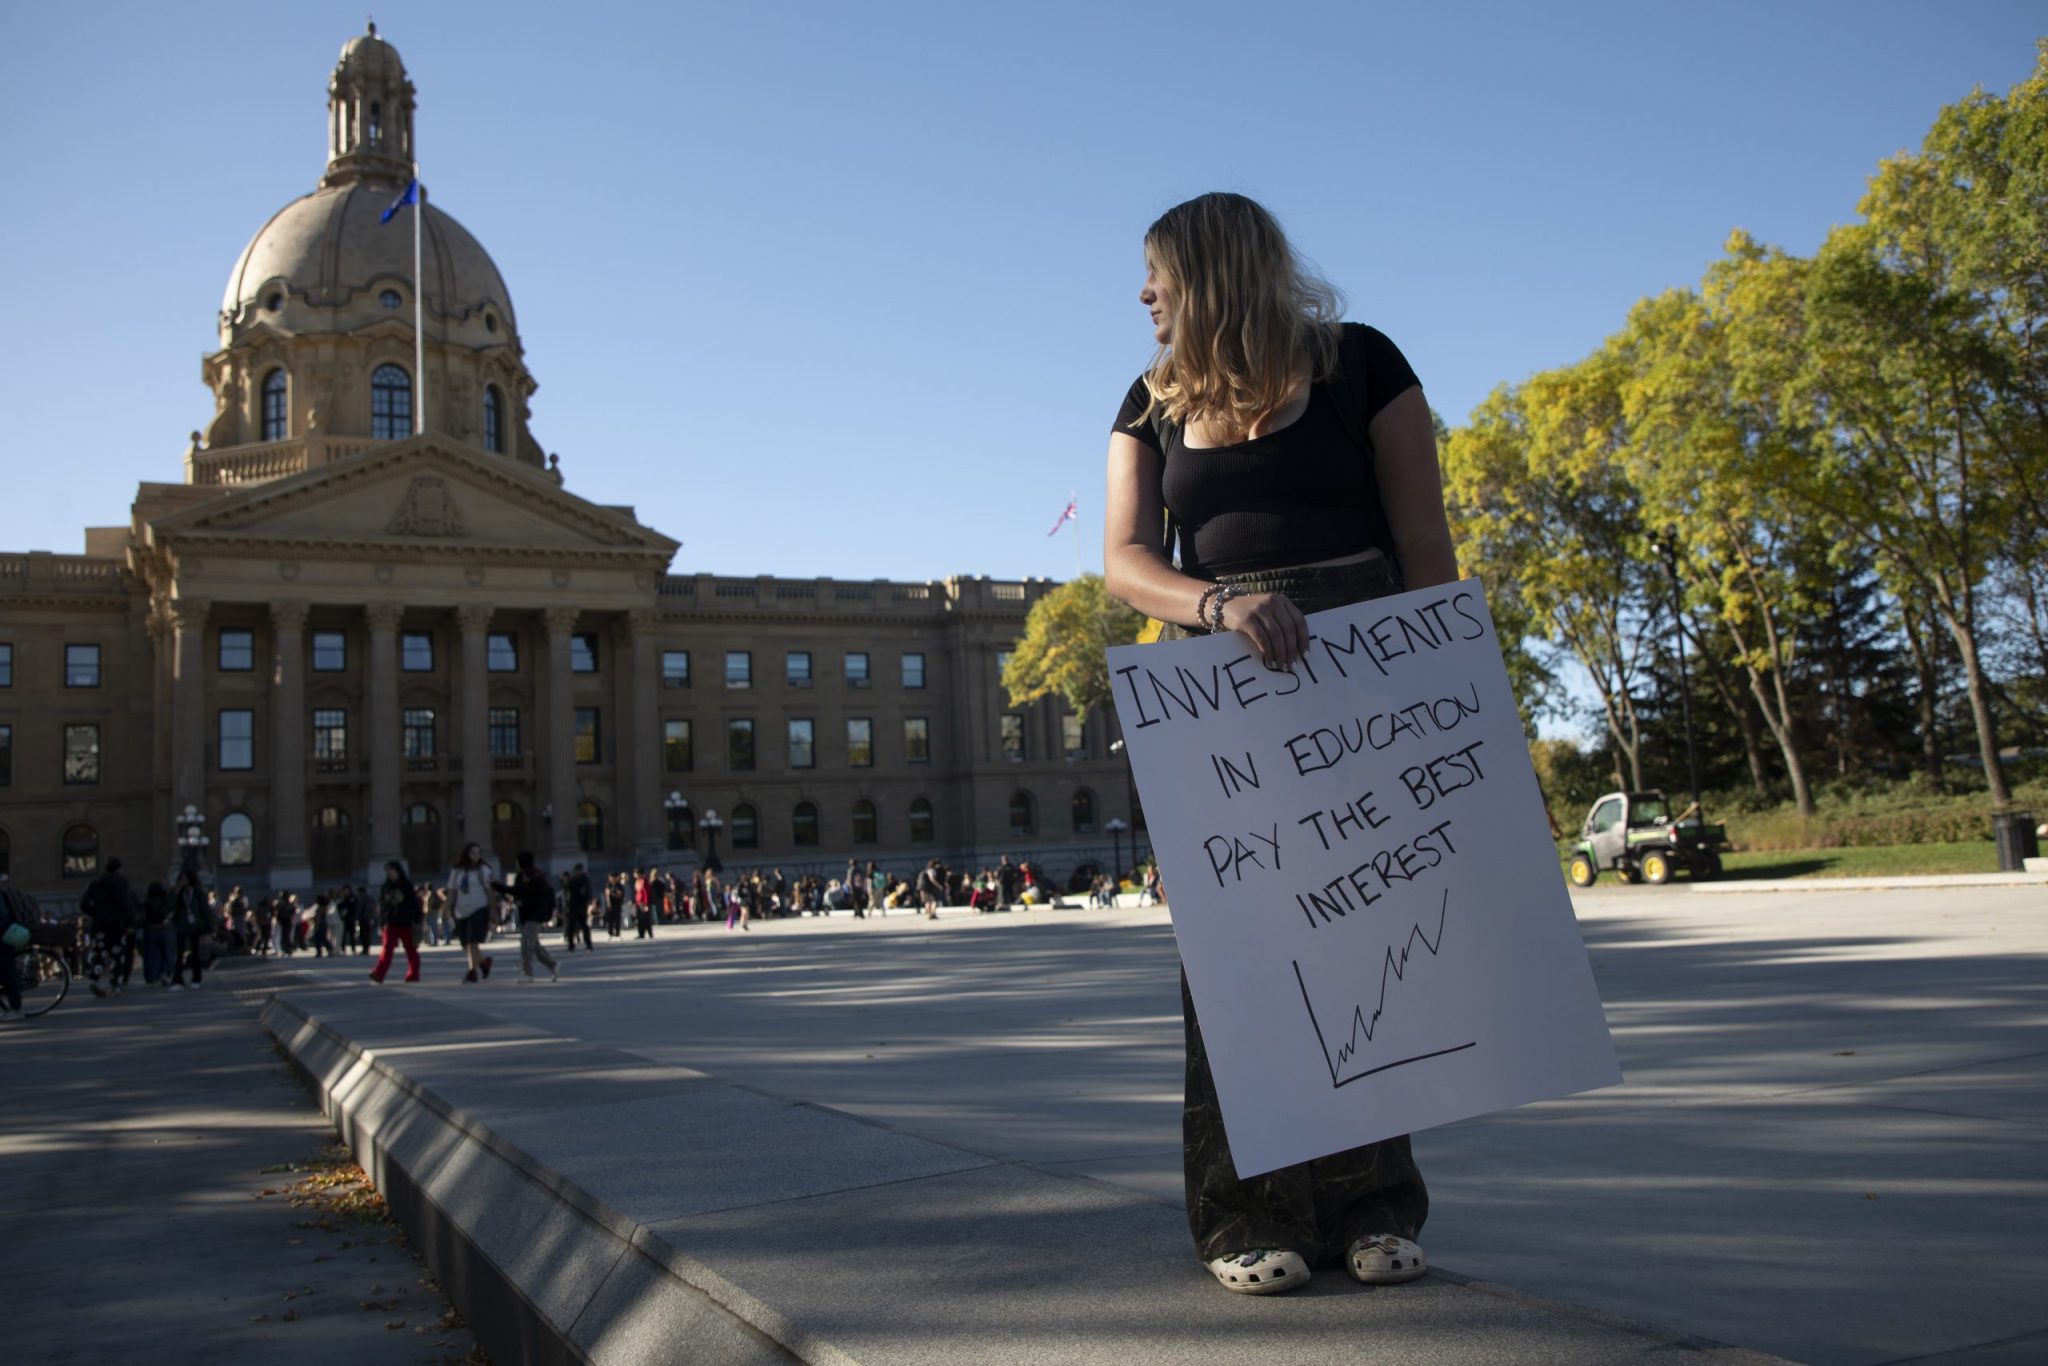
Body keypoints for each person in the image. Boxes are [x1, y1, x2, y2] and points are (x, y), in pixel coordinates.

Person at [1103, 192, 1452, 1296]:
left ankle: (1371, 1203)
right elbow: (1122, 560)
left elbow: (1423, 538)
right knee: (1236, 962)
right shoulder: (1146, 404)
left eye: (1155, 274)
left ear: (1207, 274)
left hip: (1360, 679)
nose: (1142, 296)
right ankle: (1243, 1215)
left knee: (1366, 944)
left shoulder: (1362, 366)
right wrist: (1217, 605)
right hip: (1221, 699)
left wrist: (1442, 691)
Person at [491, 851, 560, 983]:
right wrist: (497, 886)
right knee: (534, 945)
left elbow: (536, 894)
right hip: (526, 914)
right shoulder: (521, 877)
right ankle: (553, 964)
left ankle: (527, 973)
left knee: (526, 944)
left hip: (536, 914)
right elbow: (515, 891)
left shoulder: (536, 876)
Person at [80, 856, 141, 998]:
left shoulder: (96, 882)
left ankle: (94, 977)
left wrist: (95, 913)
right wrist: (130, 922)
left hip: (100, 924)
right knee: (117, 954)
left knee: (99, 952)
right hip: (116, 924)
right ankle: (115, 983)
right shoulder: (121, 882)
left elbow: (84, 904)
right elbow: (126, 904)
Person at [446, 843, 498, 983]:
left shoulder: (484, 870)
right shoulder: (457, 871)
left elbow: (490, 891)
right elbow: (452, 891)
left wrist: (493, 909)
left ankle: (472, 971)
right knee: (465, 943)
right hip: (461, 911)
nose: (475, 856)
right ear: (466, 854)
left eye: (478, 853)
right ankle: (483, 962)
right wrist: (446, 908)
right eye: (472, 853)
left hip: (479, 908)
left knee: (473, 941)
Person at [369, 860, 423, 983]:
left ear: (398, 871)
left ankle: (413, 974)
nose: (390, 873)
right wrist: (383, 921)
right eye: (387, 870)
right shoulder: (386, 887)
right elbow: (382, 905)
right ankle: (379, 973)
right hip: (390, 923)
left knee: (411, 950)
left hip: (406, 923)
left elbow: (414, 904)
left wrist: (417, 919)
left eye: (391, 870)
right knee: (387, 949)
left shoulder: (407, 885)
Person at [167, 867, 214, 989]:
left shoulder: (197, 891)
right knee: (179, 953)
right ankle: (177, 979)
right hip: (181, 925)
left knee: (195, 952)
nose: (183, 881)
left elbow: (204, 909)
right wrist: (175, 893)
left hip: (195, 925)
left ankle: (196, 978)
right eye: (181, 879)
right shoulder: (179, 892)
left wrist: (208, 925)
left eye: (185, 878)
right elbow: (171, 906)